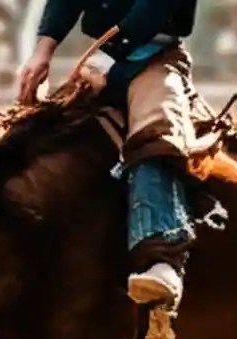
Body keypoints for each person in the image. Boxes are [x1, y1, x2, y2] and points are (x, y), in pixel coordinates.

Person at [18, 0, 209, 309]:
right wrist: (43, 50)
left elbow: (153, 8)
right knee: (42, 134)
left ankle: (162, 254)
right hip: (101, 60)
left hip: (156, 57)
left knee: (155, 131)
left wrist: (106, 57)